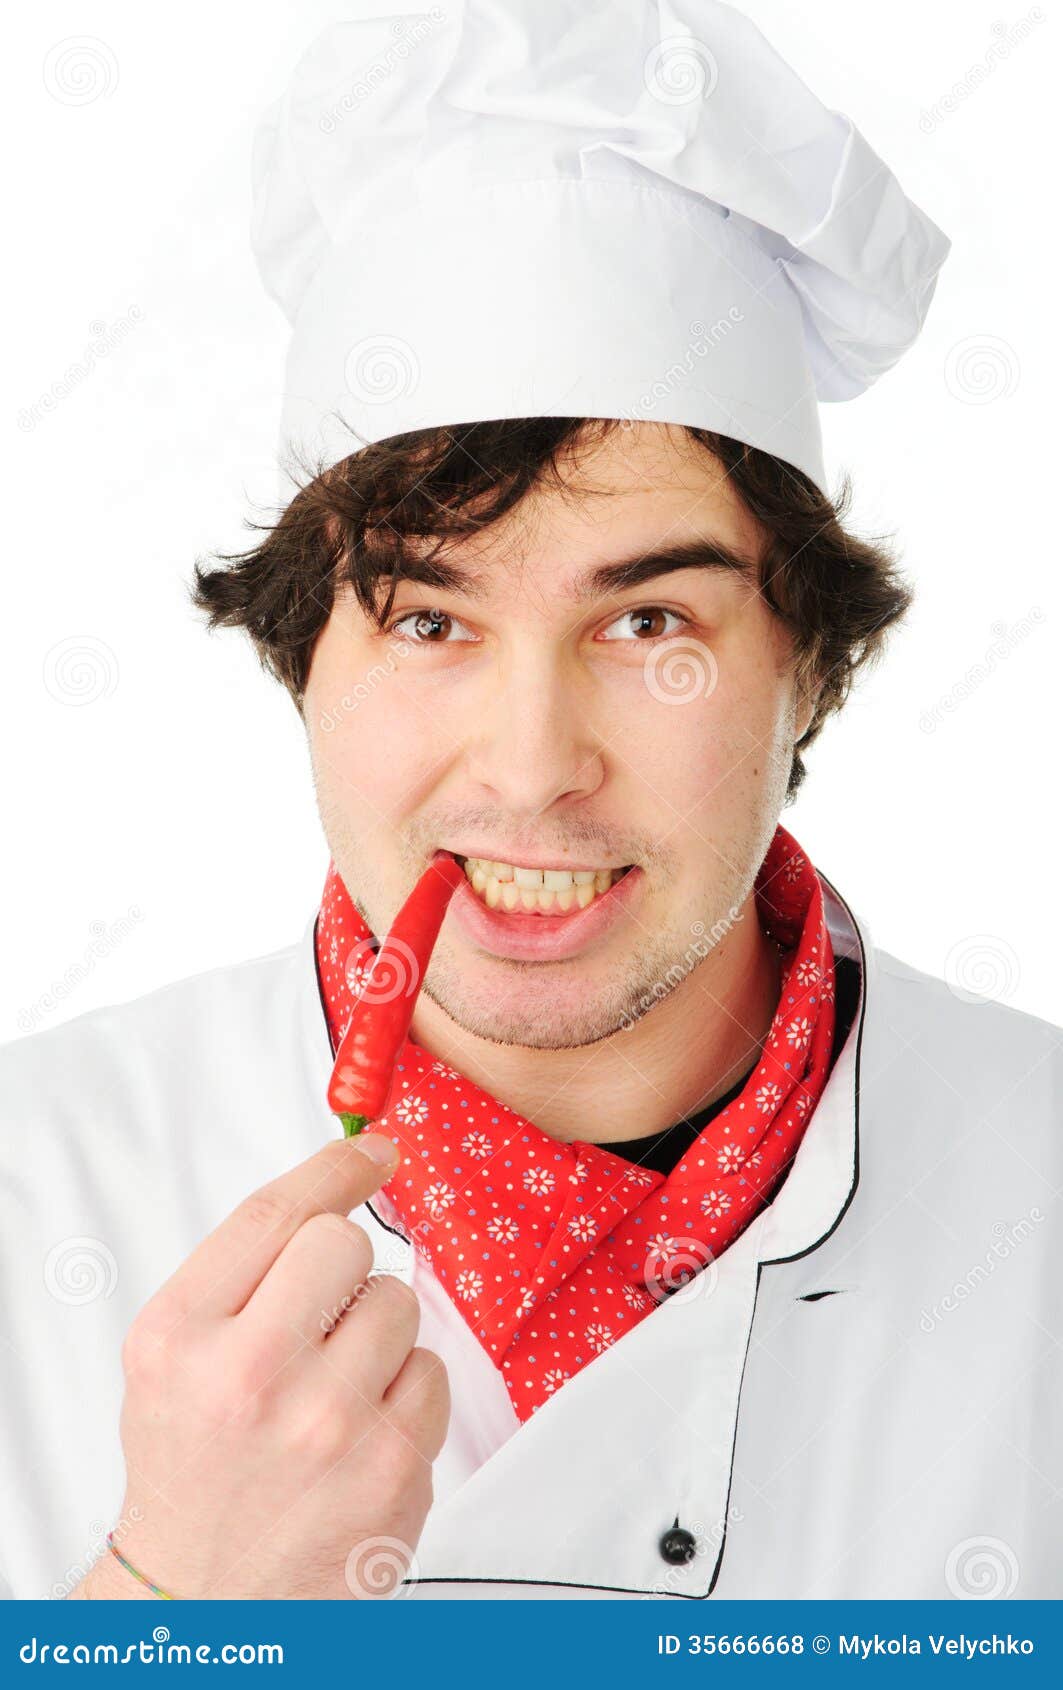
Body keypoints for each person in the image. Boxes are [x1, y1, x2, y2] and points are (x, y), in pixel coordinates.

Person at [3, 2, 1059, 1601]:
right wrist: (172, 1604)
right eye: (431, 620)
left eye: (650, 623)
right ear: (304, 664)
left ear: (807, 668)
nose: (528, 764)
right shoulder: (38, 1186)